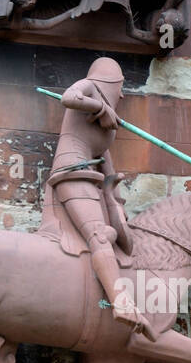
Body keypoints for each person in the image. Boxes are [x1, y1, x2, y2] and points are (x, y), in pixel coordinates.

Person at [38, 57, 153, 334]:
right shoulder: (88, 86)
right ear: (111, 81)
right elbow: (69, 97)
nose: (123, 94)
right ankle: (120, 301)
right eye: (121, 87)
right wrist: (100, 106)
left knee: (112, 232)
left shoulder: (107, 126)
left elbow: (106, 166)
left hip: (91, 175)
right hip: (72, 170)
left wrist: (114, 195)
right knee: (99, 235)